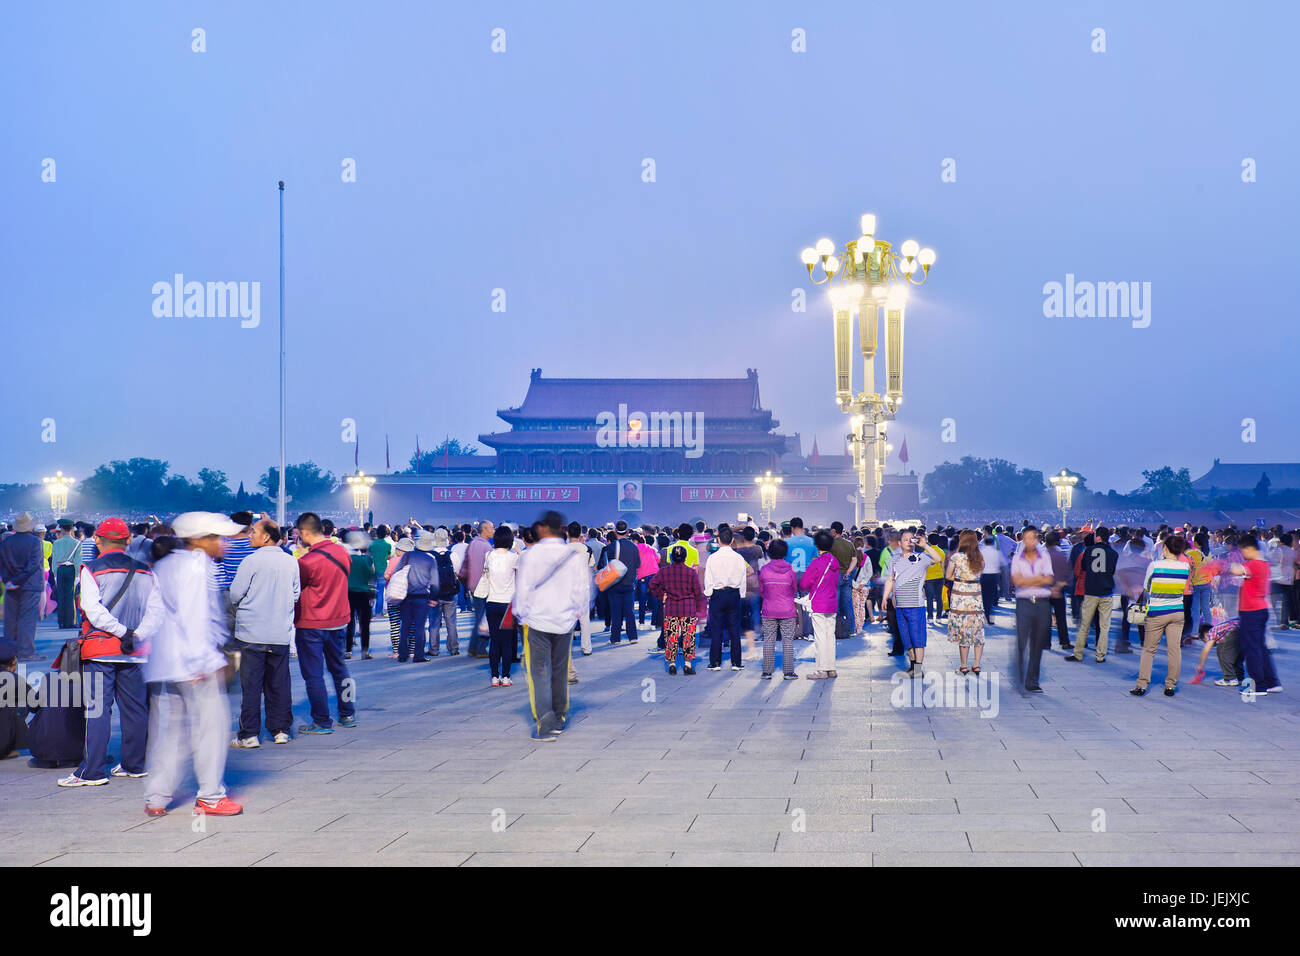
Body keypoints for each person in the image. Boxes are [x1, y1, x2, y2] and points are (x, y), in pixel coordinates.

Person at [134, 513, 244, 817]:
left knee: (167, 732)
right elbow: (195, 617)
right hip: (194, 663)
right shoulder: (198, 566)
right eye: (216, 538)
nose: (222, 544)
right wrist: (202, 662)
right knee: (211, 728)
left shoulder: (166, 565)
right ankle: (210, 795)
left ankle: (157, 795)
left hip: (165, 662)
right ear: (199, 539)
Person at [56, 518, 153, 788]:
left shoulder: (92, 569)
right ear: (128, 540)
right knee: (135, 709)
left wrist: (121, 631)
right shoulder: (145, 571)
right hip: (136, 649)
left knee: (98, 710)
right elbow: (157, 610)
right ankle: (135, 764)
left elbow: (93, 610)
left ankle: (93, 771)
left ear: (97, 540)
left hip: (101, 648)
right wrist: (137, 634)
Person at [513, 511, 590, 740]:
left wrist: (521, 614)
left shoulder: (531, 555)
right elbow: (582, 589)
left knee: (538, 672)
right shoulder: (572, 556)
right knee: (559, 670)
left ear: (544, 528)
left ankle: (545, 723)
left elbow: (523, 587)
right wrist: (578, 611)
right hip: (564, 621)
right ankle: (559, 717)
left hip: (537, 621)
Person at [228, 518, 300, 747]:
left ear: (267, 536)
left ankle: (249, 734)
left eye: (254, 532)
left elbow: (235, 594)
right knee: (279, 684)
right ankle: (281, 730)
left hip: (252, 632)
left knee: (252, 686)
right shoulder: (290, 562)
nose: (250, 535)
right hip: (279, 630)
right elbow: (296, 593)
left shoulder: (251, 561)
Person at [294, 512, 357, 734]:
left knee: (314, 675)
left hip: (311, 622)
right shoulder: (341, 552)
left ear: (304, 533)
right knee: (340, 668)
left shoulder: (306, 562)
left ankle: (322, 721)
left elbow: (297, 590)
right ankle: (348, 713)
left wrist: (301, 556)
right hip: (339, 619)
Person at [1131, 534, 1190, 696]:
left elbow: (1146, 588)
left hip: (1157, 612)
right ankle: (1171, 685)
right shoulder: (1185, 567)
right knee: (1174, 650)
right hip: (1177, 612)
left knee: (1149, 649)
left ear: (1165, 548)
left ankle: (1142, 684)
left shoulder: (1155, 565)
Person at [882, 530, 943, 676]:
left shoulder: (921, 557)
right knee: (906, 638)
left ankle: (917, 670)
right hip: (900, 606)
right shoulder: (894, 559)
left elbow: (937, 559)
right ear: (899, 543)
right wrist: (886, 597)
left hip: (915, 605)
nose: (909, 542)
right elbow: (891, 579)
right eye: (905, 540)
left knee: (918, 638)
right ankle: (912, 665)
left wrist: (925, 545)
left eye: (912, 539)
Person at [1233, 534, 1283, 695]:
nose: (1242, 554)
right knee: (1261, 647)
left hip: (1250, 611)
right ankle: (1272, 682)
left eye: (1242, 551)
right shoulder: (1264, 564)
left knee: (1251, 649)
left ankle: (1258, 685)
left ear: (1248, 549)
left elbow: (1236, 570)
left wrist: (1223, 565)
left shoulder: (1253, 565)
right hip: (1261, 610)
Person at [1011, 527, 1054, 694]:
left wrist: (1027, 580)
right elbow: (1017, 581)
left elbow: (1049, 578)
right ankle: (1020, 673)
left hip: (1042, 602)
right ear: (1023, 540)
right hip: (1024, 602)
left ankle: (1032, 680)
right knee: (1022, 641)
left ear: (1037, 539)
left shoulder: (1045, 556)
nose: (1030, 541)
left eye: (1032, 538)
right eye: (1026, 538)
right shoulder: (1017, 558)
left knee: (1037, 643)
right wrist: (1038, 579)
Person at [1066, 527, 1119, 663]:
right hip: (1106, 591)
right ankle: (1100, 655)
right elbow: (1112, 571)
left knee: (1085, 623)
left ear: (1099, 537)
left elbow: (1083, 568)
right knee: (1104, 626)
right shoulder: (1113, 553)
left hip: (1090, 591)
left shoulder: (1088, 551)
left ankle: (1078, 653)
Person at [651, 543, 706, 675]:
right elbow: (698, 592)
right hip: (688, 608)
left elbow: (652, 584)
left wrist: (661, 595)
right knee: (688, 637)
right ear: (686, 558)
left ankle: (672, 664)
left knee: (671, 636)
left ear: (671, 557)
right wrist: (700, 608)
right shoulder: (691, 572)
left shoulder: (664, 571)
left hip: (671, 608)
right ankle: (687, 664)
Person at [0, 512, 45, 662]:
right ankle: (26, 651)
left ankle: (9, 653)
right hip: (30, 585)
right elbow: (33, 565)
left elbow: (3, 563)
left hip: (11, 584)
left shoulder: (6, 541)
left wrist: (9, 581)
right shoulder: (35, 542)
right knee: (27, 618)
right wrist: (18, 580)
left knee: (10, 619)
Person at [480, 525, 519, 685]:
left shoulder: (488, 555)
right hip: (507, 604)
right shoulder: (513, 557)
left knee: (494, 641)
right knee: (507, 642)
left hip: (491, 602)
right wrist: (518, 549)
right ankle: (506, 676)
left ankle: (495, 677)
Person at [704, 526, 747, 672]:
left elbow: (708, 579)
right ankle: (736, 662)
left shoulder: (712, 558)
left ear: (718, 540)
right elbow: (743, 578)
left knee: (716, 629)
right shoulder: (739, 558)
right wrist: (741, 594)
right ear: (732, 540)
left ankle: (715, 663)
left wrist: (708, 593)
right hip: (734, 594)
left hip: (717, 594)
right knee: (734, 629)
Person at [800, 531, 840, 679]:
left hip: (818, 603)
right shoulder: (834, 561)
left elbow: (804, 583)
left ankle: (822, 670)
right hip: (832, 602)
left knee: (820, 637)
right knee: (830, 635)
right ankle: (831, 668)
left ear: (817, 546)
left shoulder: (817, 562)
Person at [757, 538, 799, 680]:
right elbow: (794, 590)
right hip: (787, 609)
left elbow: (761, 591)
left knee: (768, 640)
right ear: (785, 553)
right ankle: (788, 672)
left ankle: (767, 672)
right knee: (787, 640)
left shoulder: (764, 570)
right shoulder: (790, 570)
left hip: (768, 609)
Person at [946, 530, 986, 674]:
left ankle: (963, 665)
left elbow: (948, 575)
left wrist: (959, 580)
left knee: (963, 632)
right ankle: (976, 664)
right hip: (976, 599)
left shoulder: (956, 557)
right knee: (977, 632)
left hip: (960, 600)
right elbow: (980, 573)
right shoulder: (980, 558)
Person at [597, 520, 640, 645]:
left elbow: (603, 565)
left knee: (616, 612)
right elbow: (638, 564)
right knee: (630, 612)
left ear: (615, 532)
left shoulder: (610, 547)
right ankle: (633, 637)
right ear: (627, 532)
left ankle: (615, 638)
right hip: (629, 583)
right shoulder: (634, 547)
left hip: (615, 583)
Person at [427, 527, 461, 657]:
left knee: (434, 623)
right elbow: (457, 572)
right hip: (450, 593)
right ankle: (454, 648)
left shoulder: (430, 555)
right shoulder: (452, 554)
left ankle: (433, 649)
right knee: (451, 623)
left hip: (434, 593)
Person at [343, 530, 376, 660]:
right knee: (365, 624)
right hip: (364, 594)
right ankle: (365, 651)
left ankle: (348, 650)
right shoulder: (368, 559)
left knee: (349, 623)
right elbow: (372, 576)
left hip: (348, 594)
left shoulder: (346, 559)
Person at [567, 521, 596, 657]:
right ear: (580, 534)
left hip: (566, 589)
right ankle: (587, 647)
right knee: (584, 619)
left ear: (567, 533)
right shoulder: (587, 549)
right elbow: (591, 567)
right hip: (583, 588)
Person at [50, 519, 82, 630]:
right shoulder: (77, 543)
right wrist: (78, 576)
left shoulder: (56, 543)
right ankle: (70, 622)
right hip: (71, 570)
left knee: (61, 596)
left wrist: (54, 575)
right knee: (70, 597)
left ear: (62, 529)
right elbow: (78, 561)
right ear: (72, 529)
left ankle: (61, 621)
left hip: (60, 570)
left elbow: (54, 561)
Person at [977, 533, 1002, 626]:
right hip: (994, 576)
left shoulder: (981, 551)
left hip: (983, 575)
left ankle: (984, 612)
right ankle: (988, 614)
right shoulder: (997, 552)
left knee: (983, 595)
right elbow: (1001, 562)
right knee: (991, 596)